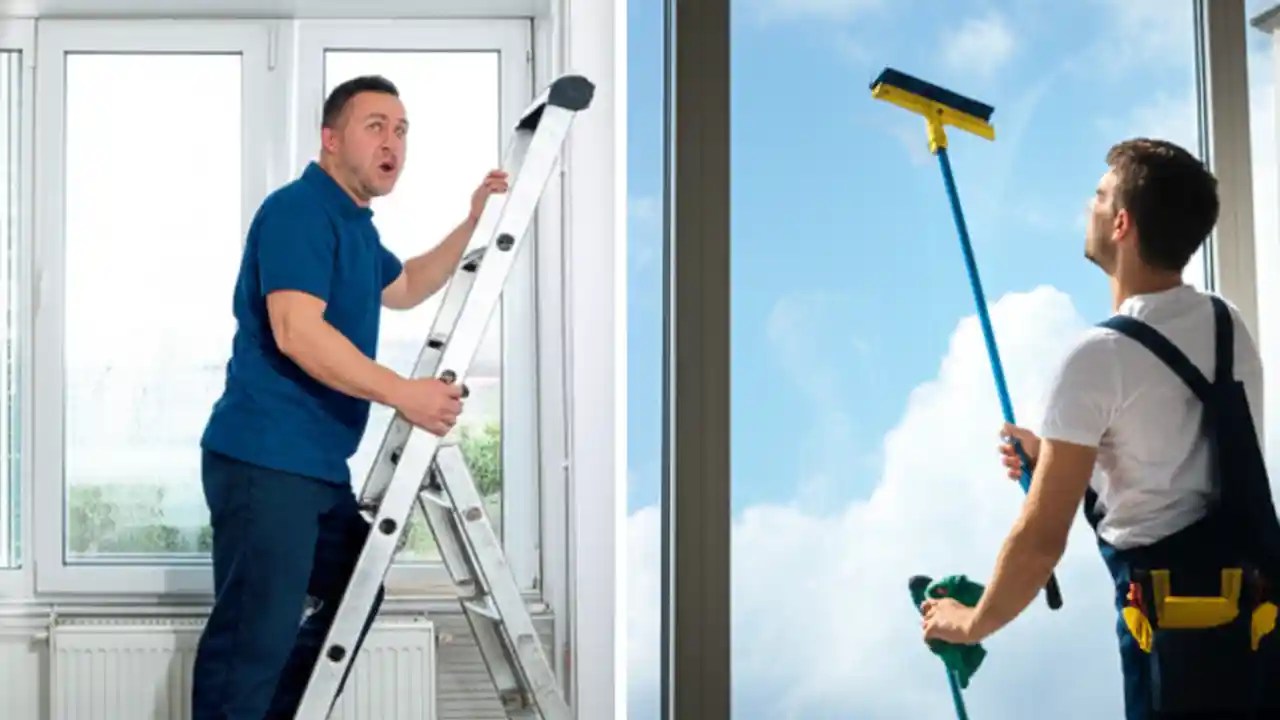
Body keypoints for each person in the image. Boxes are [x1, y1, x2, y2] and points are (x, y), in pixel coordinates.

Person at [920, 138, 1280, 718]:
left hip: (1173, 649)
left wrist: (970, 622)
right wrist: (1062, 457)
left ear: (1121, 223)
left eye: (1099, 193)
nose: (1087, 204)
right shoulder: (1226, 324)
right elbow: (1184, 465)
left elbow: (1041, 543)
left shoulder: (1095, 358)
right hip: (1257, 631)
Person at [191, 74, 509, 719]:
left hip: (314, 470)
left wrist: (473, 221)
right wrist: (404, 396)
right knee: (250, 646)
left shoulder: (355, 226)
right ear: (330, 140)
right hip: (266, 461)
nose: (392, 141)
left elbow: (410, 284)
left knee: (356, 588)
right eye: (375, 126)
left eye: (401, 130)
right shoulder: (299, 210)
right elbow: (296, 330)